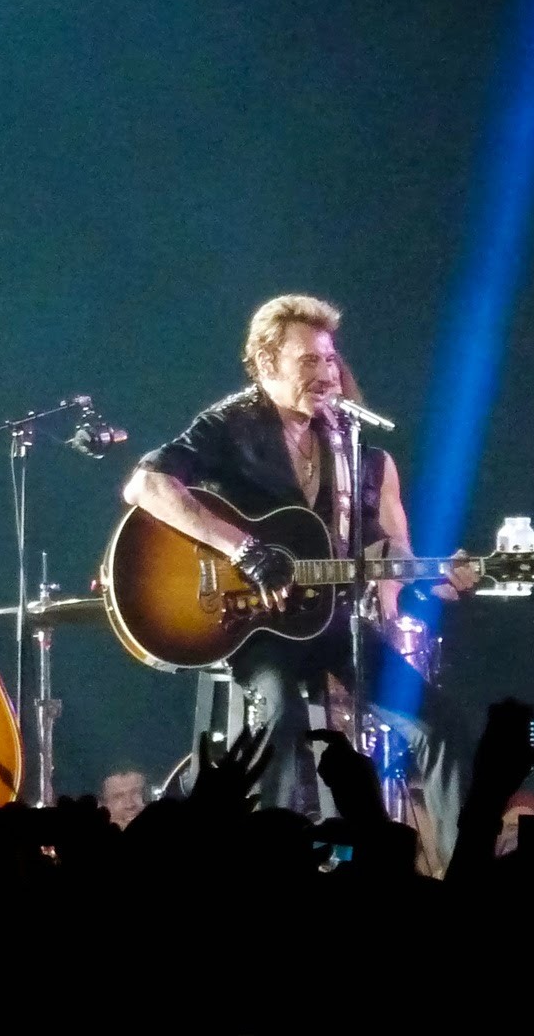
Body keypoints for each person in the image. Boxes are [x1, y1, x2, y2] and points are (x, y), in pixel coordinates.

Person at [121, 294, 479, 853]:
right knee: (281, 715)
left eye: (330, 359)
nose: (327, 374)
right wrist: (242, 548)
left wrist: (429, 574)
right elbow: (145, 484)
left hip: (329, 622)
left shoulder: (347, 443)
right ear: (267, 363)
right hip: (251, 623)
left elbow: (378, 546)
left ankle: (468, 867)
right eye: (308, 360)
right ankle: (266, 863)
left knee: (442, 724)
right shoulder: (230, 425)